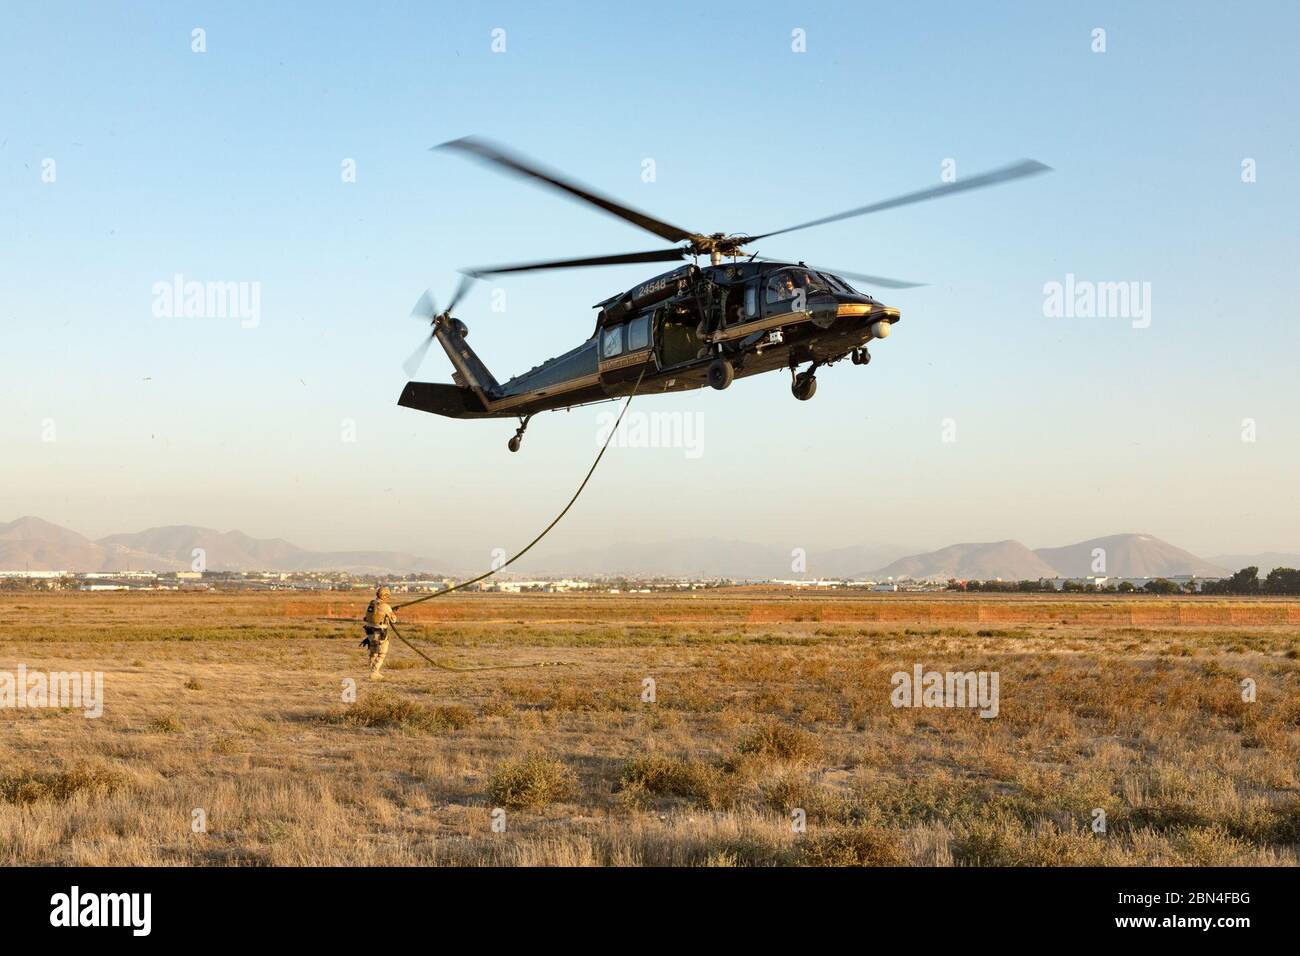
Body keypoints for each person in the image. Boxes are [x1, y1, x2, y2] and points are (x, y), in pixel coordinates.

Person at [361, 585, 397, 679]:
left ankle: (372, 671)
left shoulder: (372, 603)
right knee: (382, 653)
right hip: (380, 632)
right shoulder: (386, 606)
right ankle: (375, 672)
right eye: (387, 596)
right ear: (383, 596)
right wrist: (392, 612)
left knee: (373, 651)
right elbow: (394, 620)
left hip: (369, 631)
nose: (387, 598)